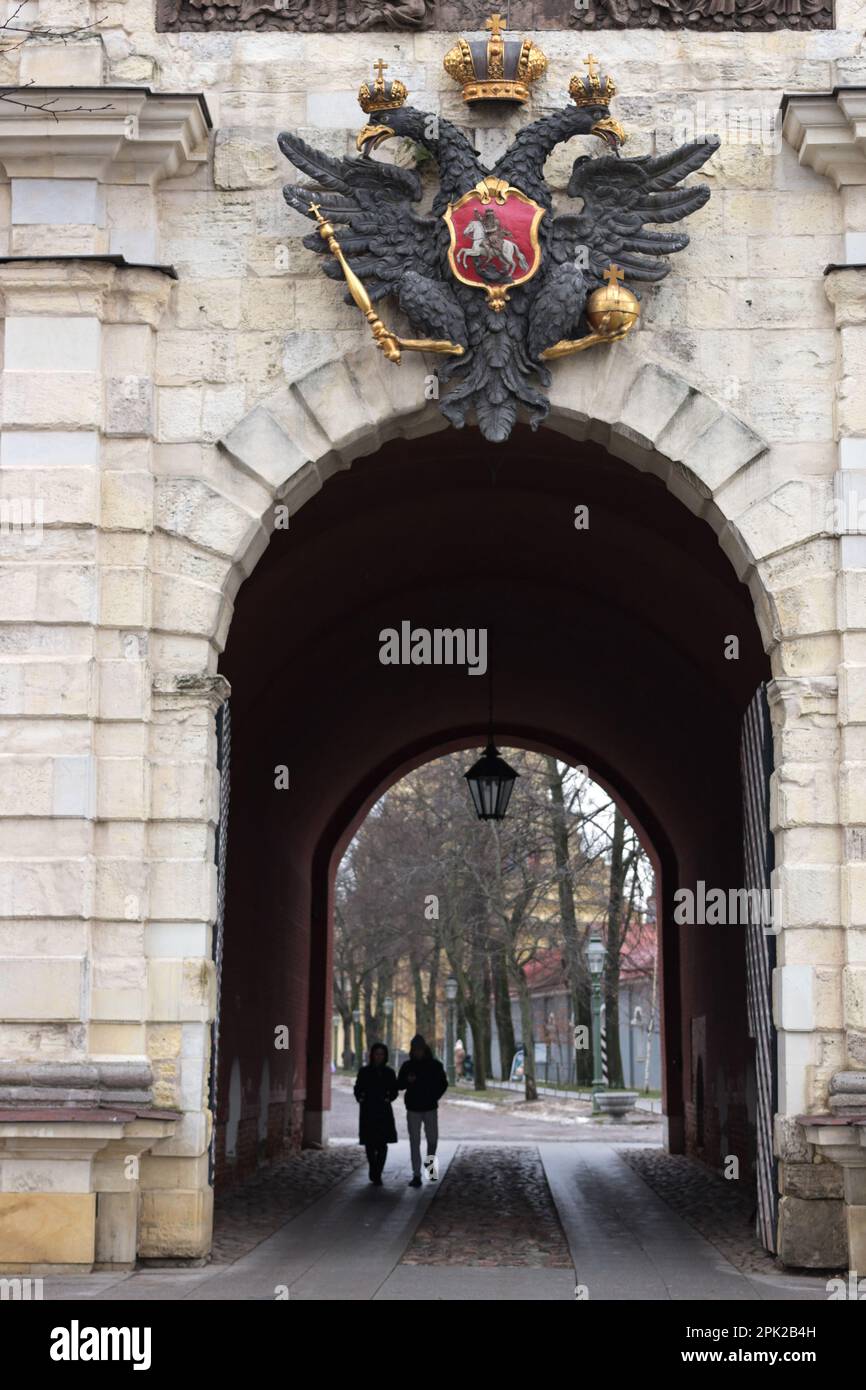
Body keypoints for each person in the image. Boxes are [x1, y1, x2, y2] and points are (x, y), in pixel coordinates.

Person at [397, 1033, 448, 1188]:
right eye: (415, 1049)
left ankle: (430, 1165)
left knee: (432, 1140)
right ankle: (416, 1174)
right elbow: (399, 1084)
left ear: (424, 1049)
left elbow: (443, 1084)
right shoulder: (407, 1066)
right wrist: (407, 1081)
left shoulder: (435, 1065)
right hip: (413, 1108)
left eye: (420, 1049)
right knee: (414, 1141)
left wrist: (434, 1096)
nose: (417, 1052)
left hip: (430, 1107)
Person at [353, 1041, 398, 1185]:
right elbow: (358, 1087)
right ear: (372, 1055)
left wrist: (388, 1098)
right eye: (377, 1054)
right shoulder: (364, 1071)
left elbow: (394, 1090)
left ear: (385, 1056)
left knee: (382, 1144)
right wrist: (360, 1098)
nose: (379, 1057)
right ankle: (373, 1168)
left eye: (382, 1054)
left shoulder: (389, 1072)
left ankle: (377, 1171)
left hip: (383, 1111)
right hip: (368, 1110)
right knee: (370, 1143)